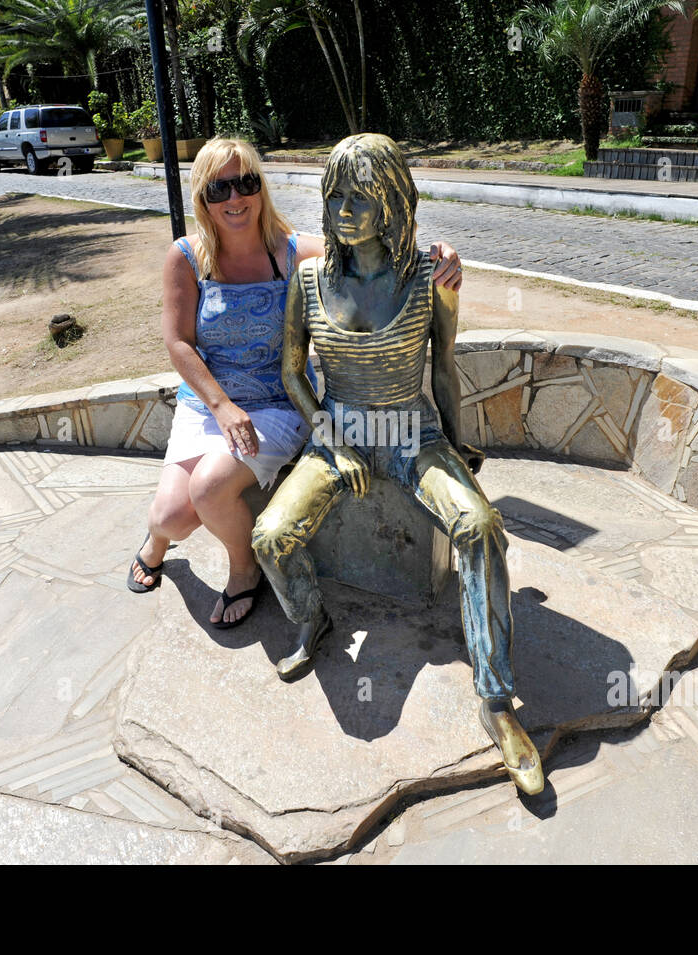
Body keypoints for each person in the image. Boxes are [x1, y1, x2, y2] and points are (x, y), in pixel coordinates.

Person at [250, 133, 544, 795]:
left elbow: (443, 368)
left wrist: (463, 448)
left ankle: (497, 702)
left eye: (361, 195)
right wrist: (331, 436)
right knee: (269, 535)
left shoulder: (428, 278)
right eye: (335, 195)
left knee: (479, 525)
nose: (345, 209)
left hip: (414, 432)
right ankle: (309, 614)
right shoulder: (308, 278)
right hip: (340, 432)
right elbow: (293, 372)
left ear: (392, 202)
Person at [127, 137, 464, 628]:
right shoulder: (187, 257)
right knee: (170, 519)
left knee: (209, 488)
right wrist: (219, 405)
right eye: (219, 189)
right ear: (201, 197)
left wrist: (439, 255)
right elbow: (178, 343)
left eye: (246, 183)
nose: (235, 198)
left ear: (261, 188)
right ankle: (156, 542)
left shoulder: (295, 254)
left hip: (276, 405)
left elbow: (374, 251)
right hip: (209, 405)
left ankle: (245, 570)